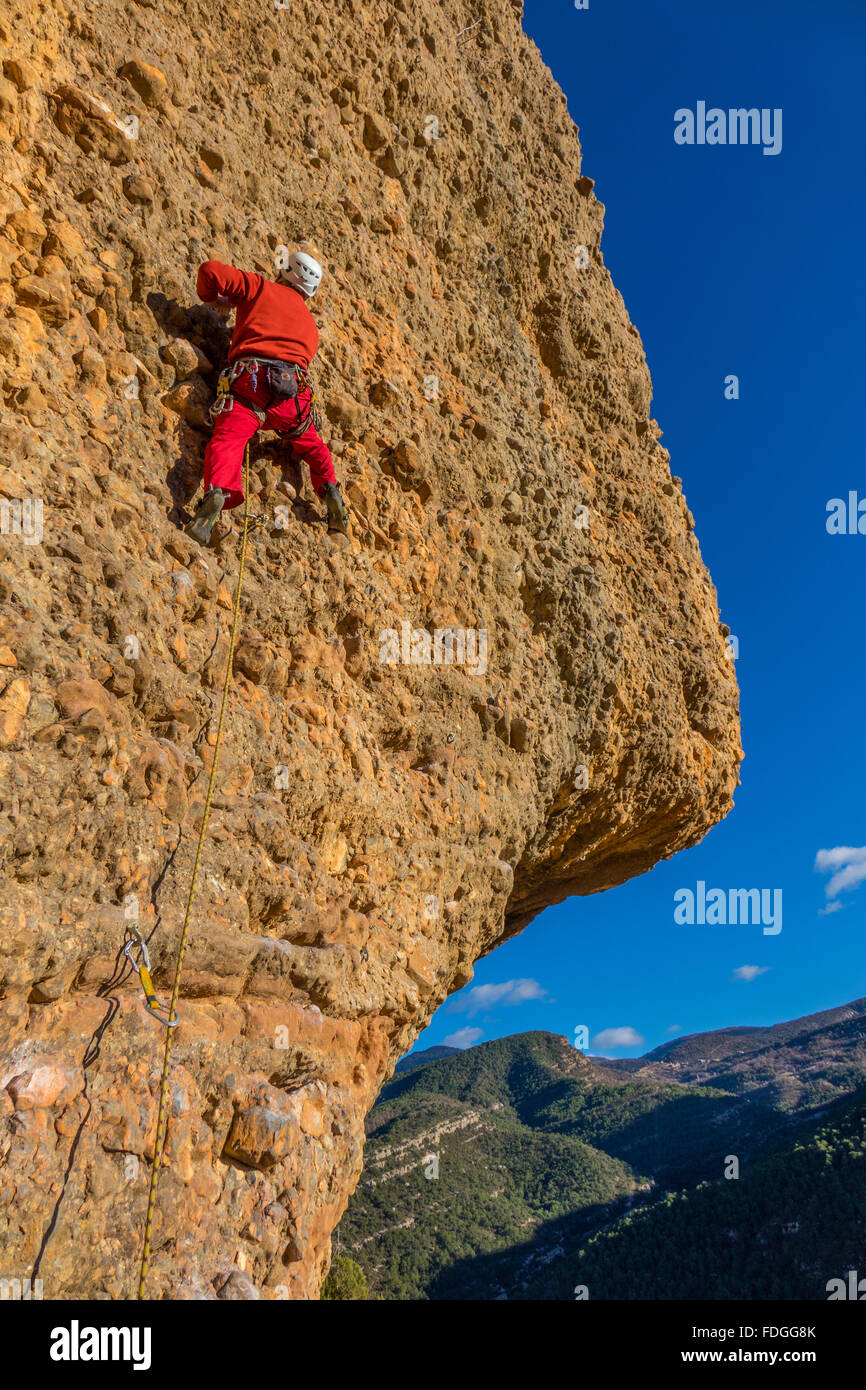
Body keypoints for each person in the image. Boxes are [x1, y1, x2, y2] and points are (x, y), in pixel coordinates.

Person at [185, 250, 349, 544]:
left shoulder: (259, 287)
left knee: (228, 440)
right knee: (312, 444)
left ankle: (217, 493)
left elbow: (210, 271)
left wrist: (212, 299)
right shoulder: (311, 328)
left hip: (251, 385)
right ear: (310, 293)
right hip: (291, 399)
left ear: (283, 272)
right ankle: (331, 492)